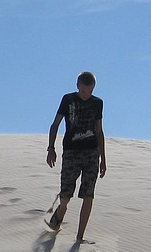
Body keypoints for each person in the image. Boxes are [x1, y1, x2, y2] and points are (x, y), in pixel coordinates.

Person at [45, 71, 107, 242]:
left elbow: (99, 131)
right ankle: (61, 209)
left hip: (91, 153)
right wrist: (51, 148)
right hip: (71, 152)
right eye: (84, 90)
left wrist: (103, 159)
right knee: (66, 194)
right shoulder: (68, 99)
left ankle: (79, 237)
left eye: (90, 91)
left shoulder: (97, 103)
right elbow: (55, 124)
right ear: (77, 86)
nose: (86, 94)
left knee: (88, 194)